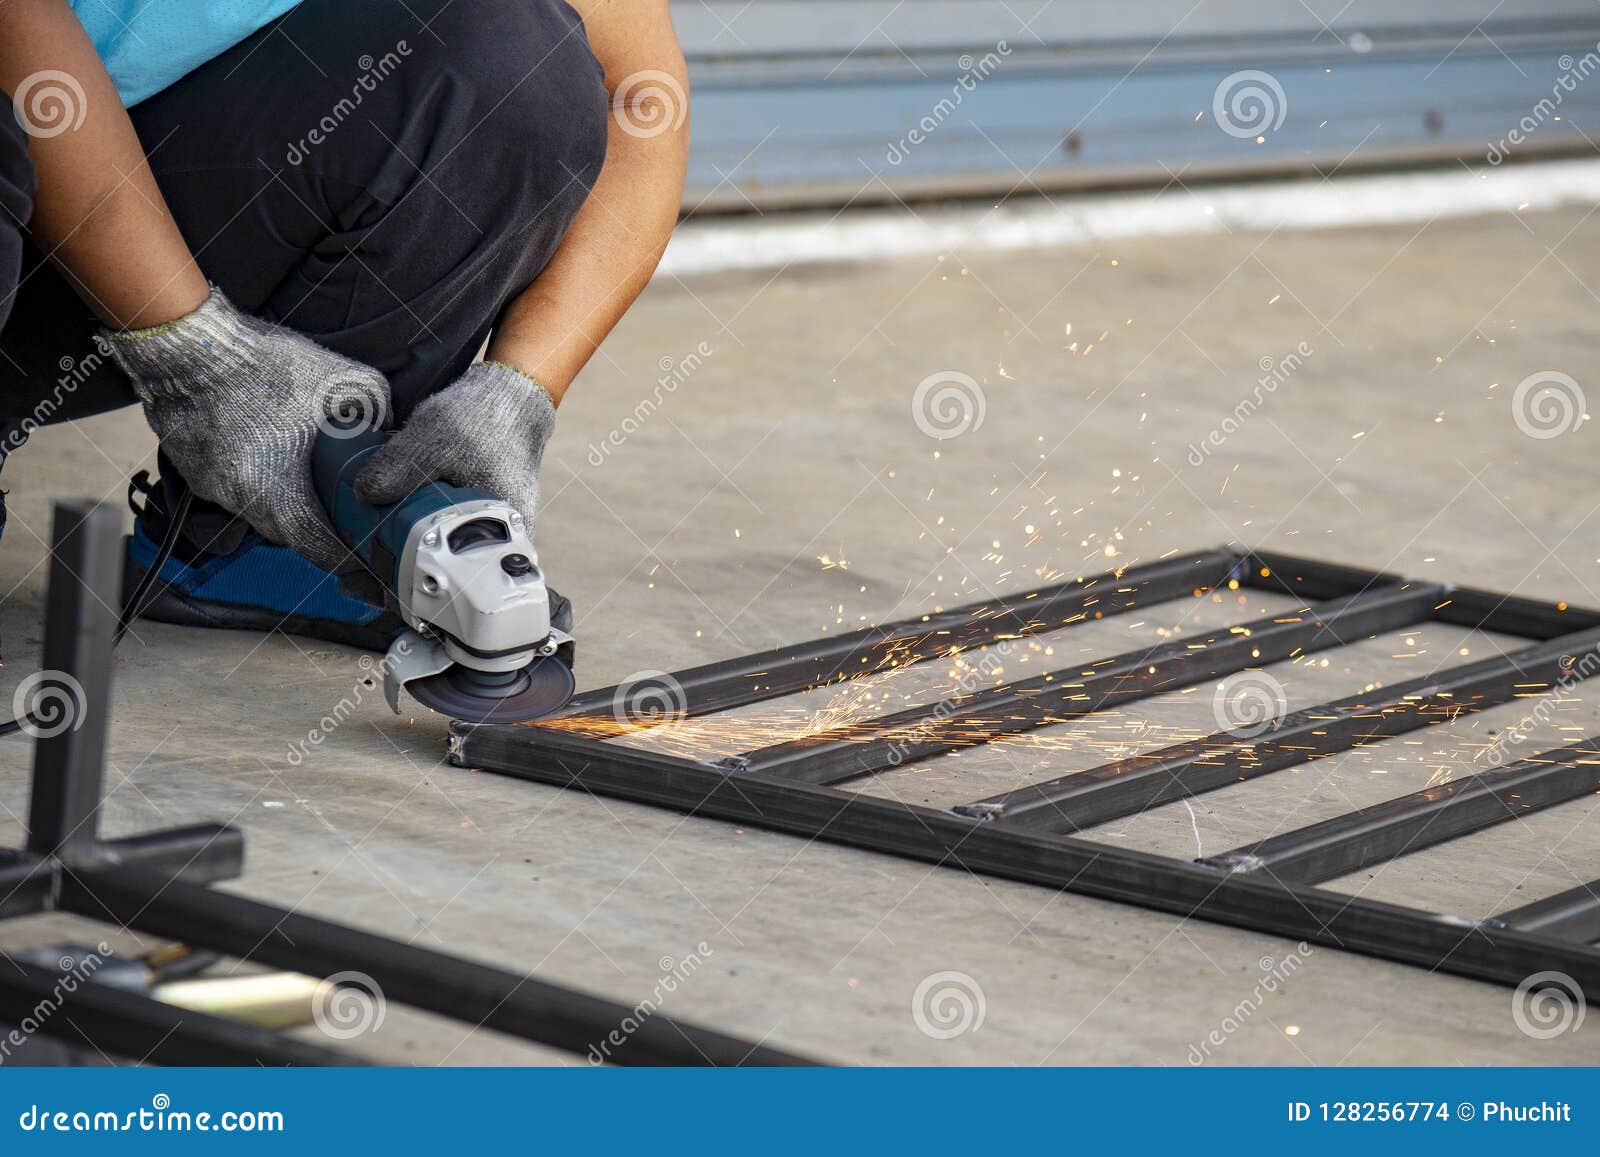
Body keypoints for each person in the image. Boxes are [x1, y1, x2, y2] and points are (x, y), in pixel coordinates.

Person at [0, 0, 688, 645]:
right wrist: (194, 354)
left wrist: (519, 392)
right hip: (31, 178)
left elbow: (642, 96)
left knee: (511, 66)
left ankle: (267, 539)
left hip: (188, 176)